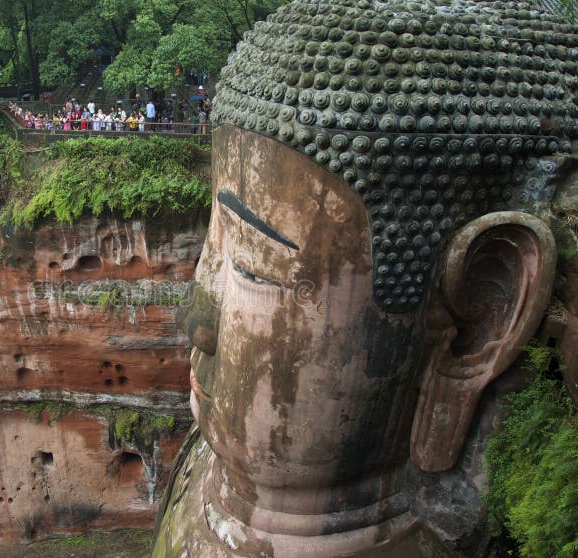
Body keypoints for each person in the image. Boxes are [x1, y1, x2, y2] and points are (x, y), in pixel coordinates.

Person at [152, 0, 573, 556]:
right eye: (212, 245)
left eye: (254, 267)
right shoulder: (200, 471)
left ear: (479, 320)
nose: (195, 321)